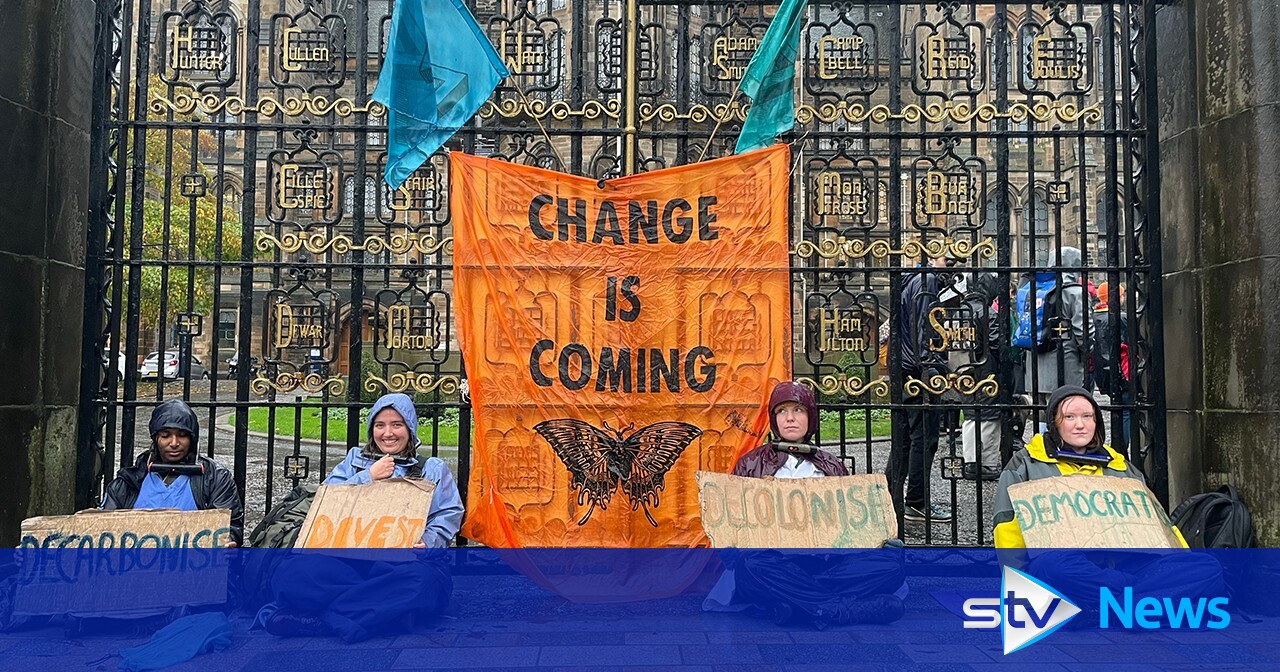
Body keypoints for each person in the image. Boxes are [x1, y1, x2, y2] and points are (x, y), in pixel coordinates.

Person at [992, 385, 1223, 619]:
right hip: (1071, 567)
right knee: (1050, 565)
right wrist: (1021, 589)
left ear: (1097, 422)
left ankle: (1107, 608)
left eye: (1087, 417)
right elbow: (1007, 528)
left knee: (1207, 567)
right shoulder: (1026, 464)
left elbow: (1160, 527)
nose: (1080, 425)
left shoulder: (1120, 466)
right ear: (1054, 422)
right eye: (1069, 417)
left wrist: (1179, 562)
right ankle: (1137, 604)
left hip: (1124, 565)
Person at [260, 393, 464, 642]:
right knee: (291, 573)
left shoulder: (432, 468)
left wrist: (429, 543)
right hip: (348, 562)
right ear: (372, 429)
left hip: (404, 563)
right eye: (380, 425)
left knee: (422, 583)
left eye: (396, 425)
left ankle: (321, 620)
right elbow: (326, 502)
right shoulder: (354, 462)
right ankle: (375, 613)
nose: (388, 433)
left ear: (409, 428)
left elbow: (448, 513)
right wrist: (367, 476)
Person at [707, 382, 906, 629]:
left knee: (892, 566)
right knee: (751, 568)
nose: (790, 418)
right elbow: (733, 524)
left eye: (798, 410)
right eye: (782, 411)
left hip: (826, 564)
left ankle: (799, 606)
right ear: (773, 418)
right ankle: (841, 610)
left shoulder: (832, 466)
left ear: (810, 417)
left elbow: (850, 526)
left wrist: (878, 539)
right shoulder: (749, 464)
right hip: (775, 564)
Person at [102, 398, 243, 546]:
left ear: (192, 439)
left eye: (182, 435)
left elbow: (231, 525)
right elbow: (102, 527)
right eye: (165, 435)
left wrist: (229, 540)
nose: (174, 443)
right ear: (155, 438)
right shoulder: (128, 482)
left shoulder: (216, 477)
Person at [897, 255, 953, 522]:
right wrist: (930, 366)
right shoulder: (927, 280)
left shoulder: (909, 279)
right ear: (930, 256)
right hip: (921, 371)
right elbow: (923, 327)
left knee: (906, 439)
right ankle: (917, 503)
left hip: (906, 368)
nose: (951, 262)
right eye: (945, 256)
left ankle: (893, 498)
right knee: (924, 439)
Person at [959, 273, 1005, 480]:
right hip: (985, 371)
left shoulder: (958, 311)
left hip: (961, 370)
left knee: (970, 416)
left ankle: (970, 462)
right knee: (988, 417)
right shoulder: (988, 313)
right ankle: (986, 464)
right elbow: (995, 345)